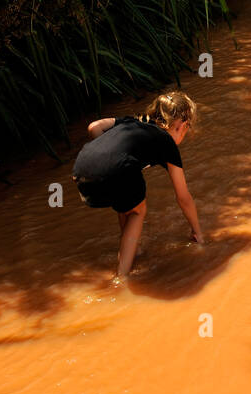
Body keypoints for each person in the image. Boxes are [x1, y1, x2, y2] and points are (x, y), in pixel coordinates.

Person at [73, 91, 203, 278]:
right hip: (116, 171)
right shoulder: (167, 143)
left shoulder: (131, 123)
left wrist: (108, 154)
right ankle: (122, 277)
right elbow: (183, 197)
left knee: (125, 200)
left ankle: (134, 250)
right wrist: (198, 233)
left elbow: (94, 126)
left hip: (82, 169)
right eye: (187, 129)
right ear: (182, 125)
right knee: (137, 211)